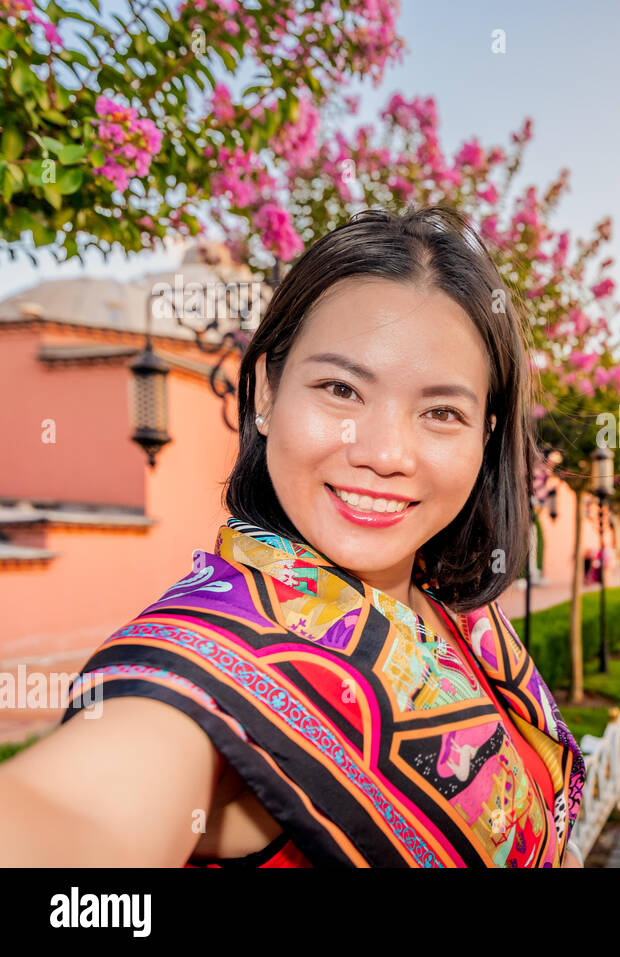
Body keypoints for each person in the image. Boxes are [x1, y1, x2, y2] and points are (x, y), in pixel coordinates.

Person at [0, 205, 585, 867]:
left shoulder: (457, 614)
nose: (386, 452)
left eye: (442, 410)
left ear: (486, 435)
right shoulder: (218, 663)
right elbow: (76, 817)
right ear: (263, 394)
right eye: (341, 388)